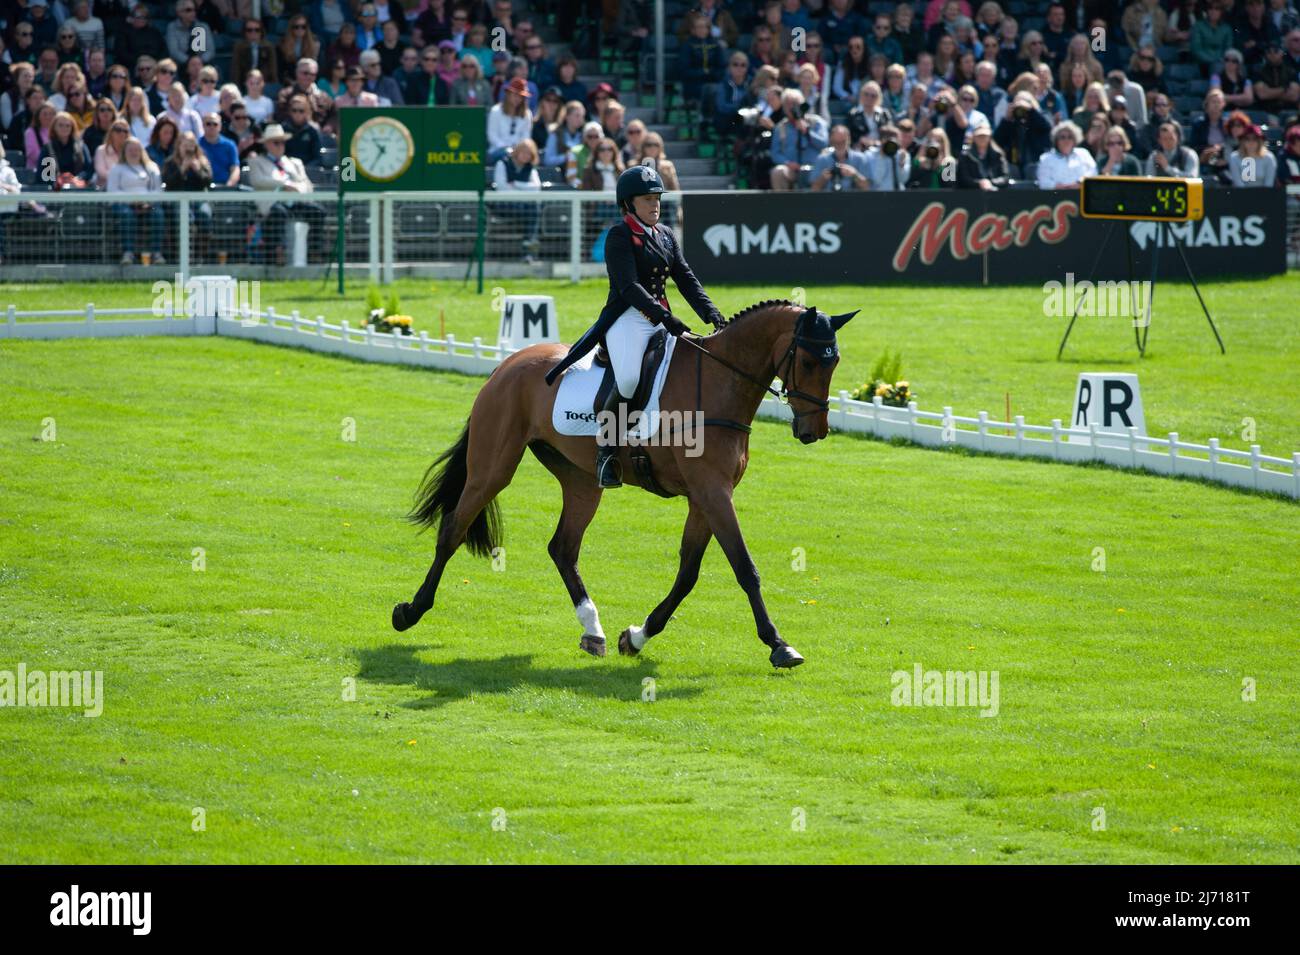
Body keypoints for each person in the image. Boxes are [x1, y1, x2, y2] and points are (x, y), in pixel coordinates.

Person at [543, 165, 725, 488]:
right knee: (628, 379)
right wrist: (665, 317)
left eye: (657, 197)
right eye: (646, 198)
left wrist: (711, 313)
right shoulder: (620, 235)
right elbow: (628, 287)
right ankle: (606, 451)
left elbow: (685, 278)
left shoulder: (666, 235)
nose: (655, 203)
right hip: (627, 319)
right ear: (628, 204)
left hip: (659, 319)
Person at [247, 123, 327, 265]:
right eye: (276, 142)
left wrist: (296, 188)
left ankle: (314, 252)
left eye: (282, 142)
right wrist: (283, 185)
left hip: (295, 202)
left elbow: (307, 185)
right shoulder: (256, 162)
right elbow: (258, 181)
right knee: (279, 213)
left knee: (318, 211)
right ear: (267, 145)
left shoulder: (294, 163)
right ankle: (278, 252)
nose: (280, 146)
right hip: (272, 204)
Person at [108, 136, 165, 265]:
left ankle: (157, 254)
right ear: (124, 151)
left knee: (158, 214)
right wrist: (131, 200)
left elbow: (158, 189)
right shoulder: (117, 168)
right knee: (127, 215)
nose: (134, 152)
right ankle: (128, 253)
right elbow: (112, 191)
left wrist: (146, 201)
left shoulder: (152, 167)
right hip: (124, 205)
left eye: (136, 149)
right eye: (130, 150)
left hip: (148, 204)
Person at [492, 137, 541, 262]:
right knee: (532, 211)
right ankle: (528, 244)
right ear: (517, 151)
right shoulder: (502, 163)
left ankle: (527, 248)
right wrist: (524, 190)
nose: (526, 156)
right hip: (504, 205)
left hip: (523, 206)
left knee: (533, 208)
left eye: (529, 153)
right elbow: (502, 188)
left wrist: (516, 184)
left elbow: (536, 187)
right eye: (524, 152)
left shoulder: (530, 168)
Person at [769, 89, 830, 190]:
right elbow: (775, 153)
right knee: (778, 172)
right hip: (792, 169)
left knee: (826, 172)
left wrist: (807, 132)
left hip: (814, 168)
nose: (791, 107)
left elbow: (823, 144)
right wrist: (787, 163)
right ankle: (783, 204)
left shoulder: (816, 122)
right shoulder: (780, 127)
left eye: (794, 103)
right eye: (787, 104)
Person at [1036, 119, 1096, 188]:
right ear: (1056, 140)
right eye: (1062, 137)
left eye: (1070, 137)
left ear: (1075, 139)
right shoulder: (1046, 158)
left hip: (1081, 194)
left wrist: (1079, 182)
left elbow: (1093, 172)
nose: (1066, 140)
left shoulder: (1084, 153)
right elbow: (1043, 182)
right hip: (1055, 195)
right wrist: (1060, 186)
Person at [488, 77, 532, 164]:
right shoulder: (496, 111)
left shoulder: (527, 114)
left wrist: (517, 150)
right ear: (508, 94)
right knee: (505, 155)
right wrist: (507, 149)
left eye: (521, 96)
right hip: (497, 151)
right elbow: (492, 136)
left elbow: (526, 137)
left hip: (519, 153)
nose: (518, 99)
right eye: (515, 95)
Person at [957, 119, 1010, 188]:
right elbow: (963, 179)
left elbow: (1005, 178)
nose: (982, 138)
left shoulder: (998, 155)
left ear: (989, 137)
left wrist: (990, 183)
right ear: (974, 137)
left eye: (984, 136)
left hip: (996, 194)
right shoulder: (965, 155)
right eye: (979, 136)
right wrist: (980, 183)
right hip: (972, 194)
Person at [198, 111, 240, 186]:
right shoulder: (197, 145)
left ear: (220, 126)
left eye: (215, 124)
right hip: (201, 187)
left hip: (224, 187)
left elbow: (235, 168)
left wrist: (228, 186)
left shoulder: (229, 145)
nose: (212, 126)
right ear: (203, 126)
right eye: (208, 124)